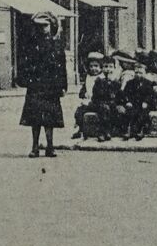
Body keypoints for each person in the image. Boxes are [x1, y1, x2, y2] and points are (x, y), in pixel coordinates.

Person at [18, 12, 68, 157]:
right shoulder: (31, 44)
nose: (42, 29)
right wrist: (25, 79)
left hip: (51, 86)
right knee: (35, 118)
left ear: (51, 26)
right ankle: (35, 147)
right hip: (36, 85)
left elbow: (61, 67)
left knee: (50, 119)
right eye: (39, 26)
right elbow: (24, 63)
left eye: (45, 25)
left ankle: (50, 146)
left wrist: (63, 86)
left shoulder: (57, 44)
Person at [122, 54, 157, 141]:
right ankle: (128, 130)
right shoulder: (130, 83)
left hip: (144, 104)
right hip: (134, 103)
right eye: (136, 73)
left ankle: (140, 130)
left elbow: (150, 95)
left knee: (142, 114)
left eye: (140, 73)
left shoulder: (148, 83)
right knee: (129, 112)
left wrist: (146, 102)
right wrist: (128, 101)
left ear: (145, 73)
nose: (138, 75)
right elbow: (125, 93)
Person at [73, 52, 105, 140]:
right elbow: (81, 92)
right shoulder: (88, 78)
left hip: (99, 102)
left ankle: (102, 132)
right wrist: (84, 93)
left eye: (96, 66)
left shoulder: (102, 78)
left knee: (103, 111)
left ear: (100, 67)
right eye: (91, 66)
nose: (93, 69)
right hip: (88, 102)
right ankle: (81, 130)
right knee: (79, 112)